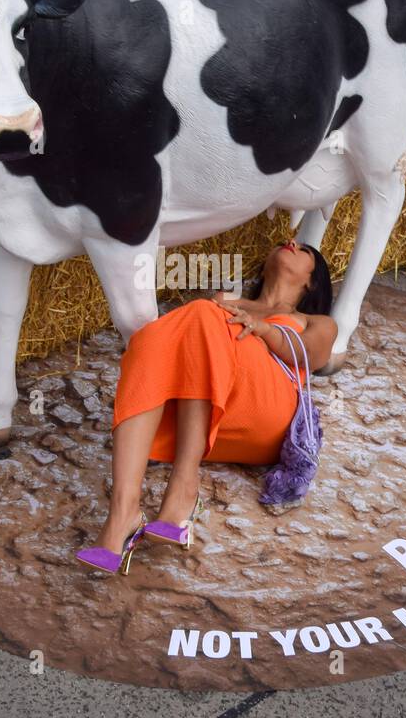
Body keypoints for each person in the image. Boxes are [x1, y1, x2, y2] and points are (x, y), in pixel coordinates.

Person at [75, 238, 336, 574]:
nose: (290, 241)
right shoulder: (227, 302)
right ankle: (123, 513)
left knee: (201, 314)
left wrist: (263, 329)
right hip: (213, 416)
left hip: (269, 415)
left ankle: (184, 486)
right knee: (148, 341)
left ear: (313, 280)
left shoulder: (314, 321)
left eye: (303, 248)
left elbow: (311, 355)